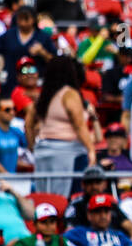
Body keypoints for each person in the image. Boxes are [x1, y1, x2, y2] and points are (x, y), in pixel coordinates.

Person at [25, 56, 96, 197]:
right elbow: (79, 125)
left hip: (44, 151)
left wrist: (33, 146)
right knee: (69, 197)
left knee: (45, 196)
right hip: (69, 154)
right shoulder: (70, 94)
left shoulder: (44, 95)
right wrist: (91, 150)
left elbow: (28, 124)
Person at [63, 193, 132, 246]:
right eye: (98, 212)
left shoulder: (119, 235)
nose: (103, 216)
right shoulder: (79, 232)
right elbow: (58, 241)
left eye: (106, 212)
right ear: (89, 215)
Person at [5, 203, 77, 246]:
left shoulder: (61, 241)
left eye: (52, 222)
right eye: (43, 222)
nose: (48, 225)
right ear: (34, 224)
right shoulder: (24, 243)